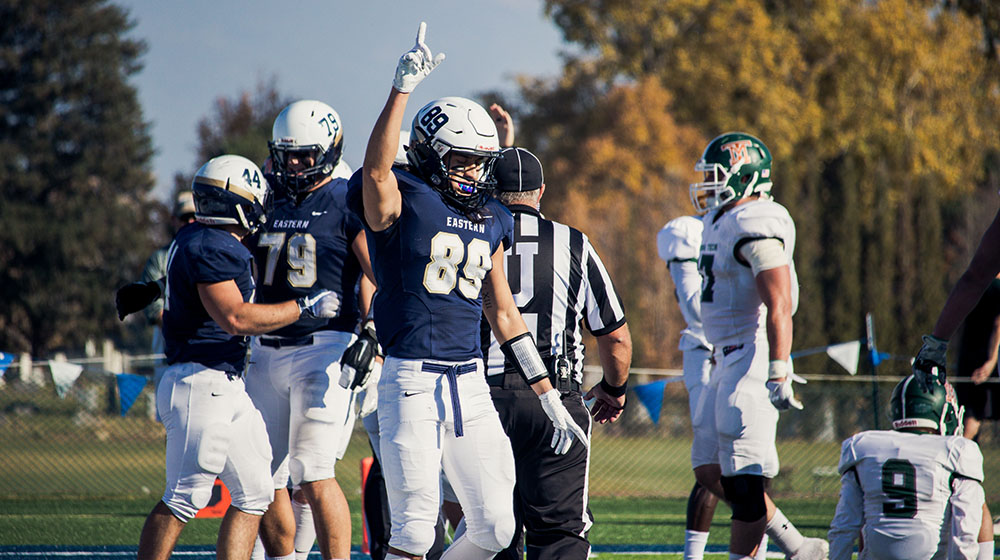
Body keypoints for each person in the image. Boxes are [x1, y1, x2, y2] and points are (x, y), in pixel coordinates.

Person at [349, 22, 586, 560]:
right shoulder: (404, 199)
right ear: (432, 154)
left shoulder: (493, 217)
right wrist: (401, 89)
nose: (472, 172)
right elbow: (377, 169)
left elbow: (504, 313)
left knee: (497, 529)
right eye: (461, 160)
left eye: (480, 162)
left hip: (470, 385)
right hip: (410, 380)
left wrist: (547, 395)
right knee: (411, 531)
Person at [137, 154, 341, 560]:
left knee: (256, 491)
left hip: (225, 383)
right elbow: (234, 316)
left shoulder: (200, 239)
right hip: (200, 382)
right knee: (184, 498)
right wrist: (305, 308)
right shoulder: (212, 245)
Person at [482, 145, 632, 559]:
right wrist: (614, 389)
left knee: (490, 532)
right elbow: (615, 336)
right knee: (560, 533)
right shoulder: (573, 243)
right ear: (541, 191)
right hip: (555, 397)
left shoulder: (472, 235)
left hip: (482, 397)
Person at [244, 99, 376, 560]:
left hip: (323, 347)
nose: (294, 164)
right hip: (262, 348)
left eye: (304, 154)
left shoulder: (345, 196)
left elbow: (373, 274)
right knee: (261, 475)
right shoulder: (266, 194)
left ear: (329, 149)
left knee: (314, 469)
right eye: (287, 154)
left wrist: (372, 329)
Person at [688, 132, 827, 560]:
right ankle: (799, 547)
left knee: (745, 482)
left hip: (752, 355)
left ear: (745, 176)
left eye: (716, 177)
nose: (707, 186)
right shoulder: (722, 220)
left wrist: (780, 366)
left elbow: (779, 301)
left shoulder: (757, 221)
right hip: (723, 356)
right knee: (709, 469)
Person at [828, 375, 985, 560]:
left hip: (877, 555)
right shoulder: (957, 450)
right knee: (978, 502)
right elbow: (965, 532)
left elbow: (844, 526)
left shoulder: (863, 446)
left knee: (869, 509)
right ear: (943, 412)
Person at [658, 213, 738, 560]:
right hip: (712, 348)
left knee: (748, 466)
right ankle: (779, 532)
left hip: (729, 348)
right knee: (713, 465)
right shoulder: (690, 234)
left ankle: (762, 539)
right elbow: (695, 306)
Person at [140, 191, 197, 355]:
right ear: (174, 220)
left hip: (205, 352)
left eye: (195, 216)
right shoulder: (159, 259)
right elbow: (154, 309)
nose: (190, 222)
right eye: (184, 218)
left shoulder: (212, 255)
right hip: (169, 352)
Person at [954, 273, 1000, 441]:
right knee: (973, 415)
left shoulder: (973, 287)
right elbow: (998, 326)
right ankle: (961, 459)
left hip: (968, 359)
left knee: (970, 413)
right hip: (984, 362)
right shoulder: (995, 289)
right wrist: (991, 362)